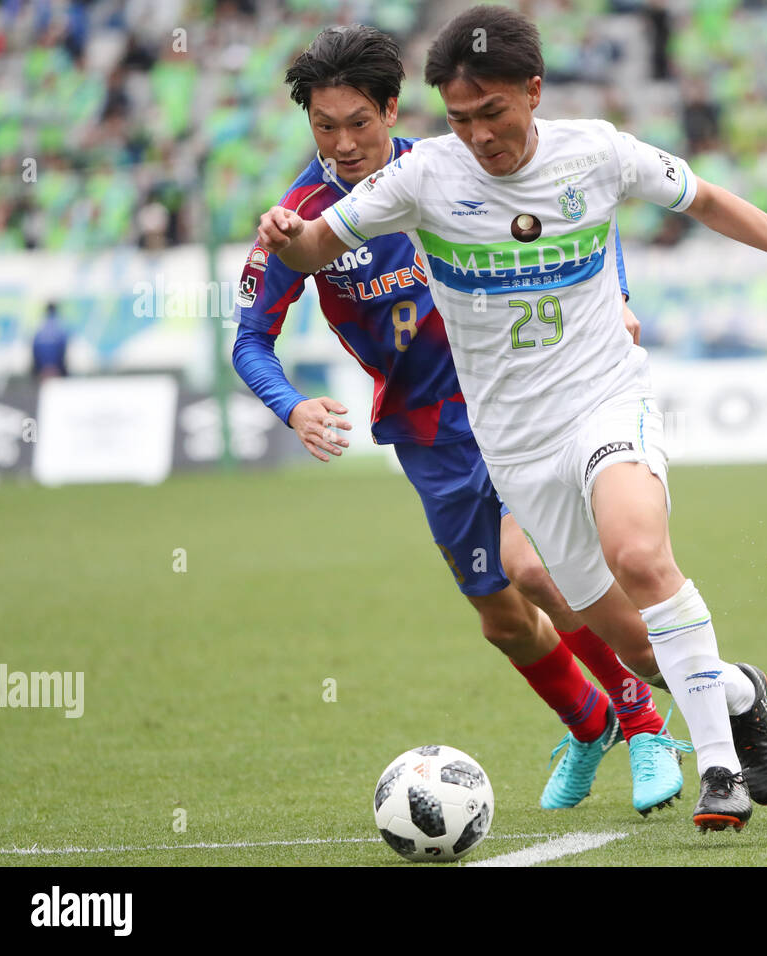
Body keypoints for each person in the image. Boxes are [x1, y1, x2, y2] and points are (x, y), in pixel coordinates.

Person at [258, 6, 767, 831]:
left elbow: (689, 201)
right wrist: (285, 237)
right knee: (609, 636)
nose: (479, 136)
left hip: (601, 398)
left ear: (534, 93)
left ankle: (712, 768)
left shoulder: (595, 150)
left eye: (494, 113)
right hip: (499, 437)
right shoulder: (418, 180)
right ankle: (734, 690)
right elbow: (302, 258)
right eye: (461, 119)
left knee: (635, 555)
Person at [232, 25, 687, 817]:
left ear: (391, 109)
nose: (342, 144)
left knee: (537, 569)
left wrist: (615, 297)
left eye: (358, 124)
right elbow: (248, 341)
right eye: (324, 127)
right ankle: (588, 725)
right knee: (501, 616)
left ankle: (644, 720)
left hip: (517, 401)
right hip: (424, 430)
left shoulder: (452, 168)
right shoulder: (299, 220)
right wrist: (293, 404)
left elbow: (581, 213)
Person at [32, 302, 69, 379]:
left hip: (42, 369)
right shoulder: (61, 327)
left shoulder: (40, 327)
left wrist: (40, 368)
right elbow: (63, 350)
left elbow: (35, 349)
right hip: (57, 368)